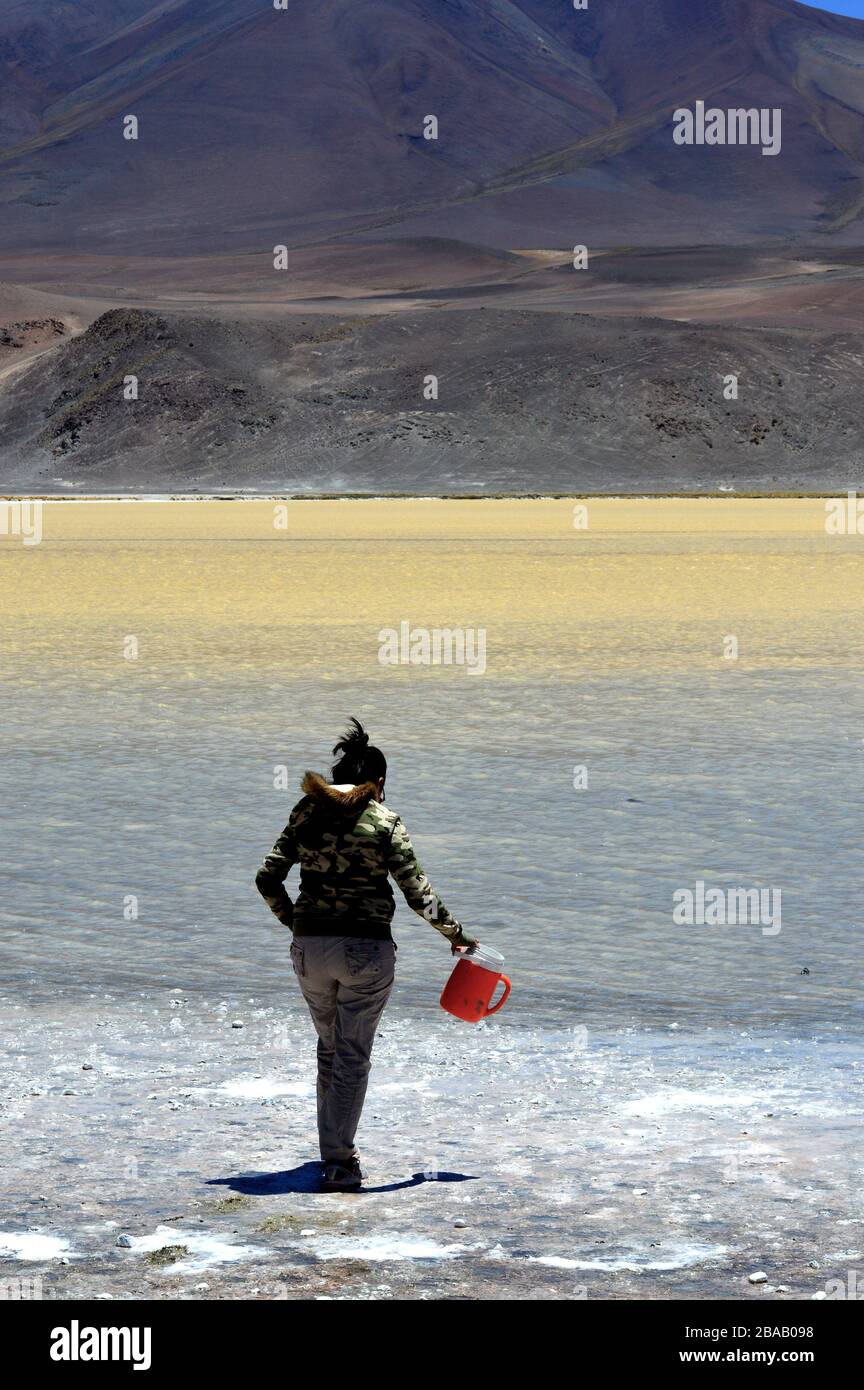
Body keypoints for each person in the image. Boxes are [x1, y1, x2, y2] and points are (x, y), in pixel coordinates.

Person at [255, 718, 478, 1191]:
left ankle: (331, 1154)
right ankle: (338, 1162)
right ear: (377, 782)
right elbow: (419, 894)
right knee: (352, 1055)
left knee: (329, 1049)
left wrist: (296, 922)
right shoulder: (384, 820)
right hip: (365, 950)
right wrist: (456, 936)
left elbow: (267, 878)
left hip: (309, 949)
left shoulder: (305, 813)